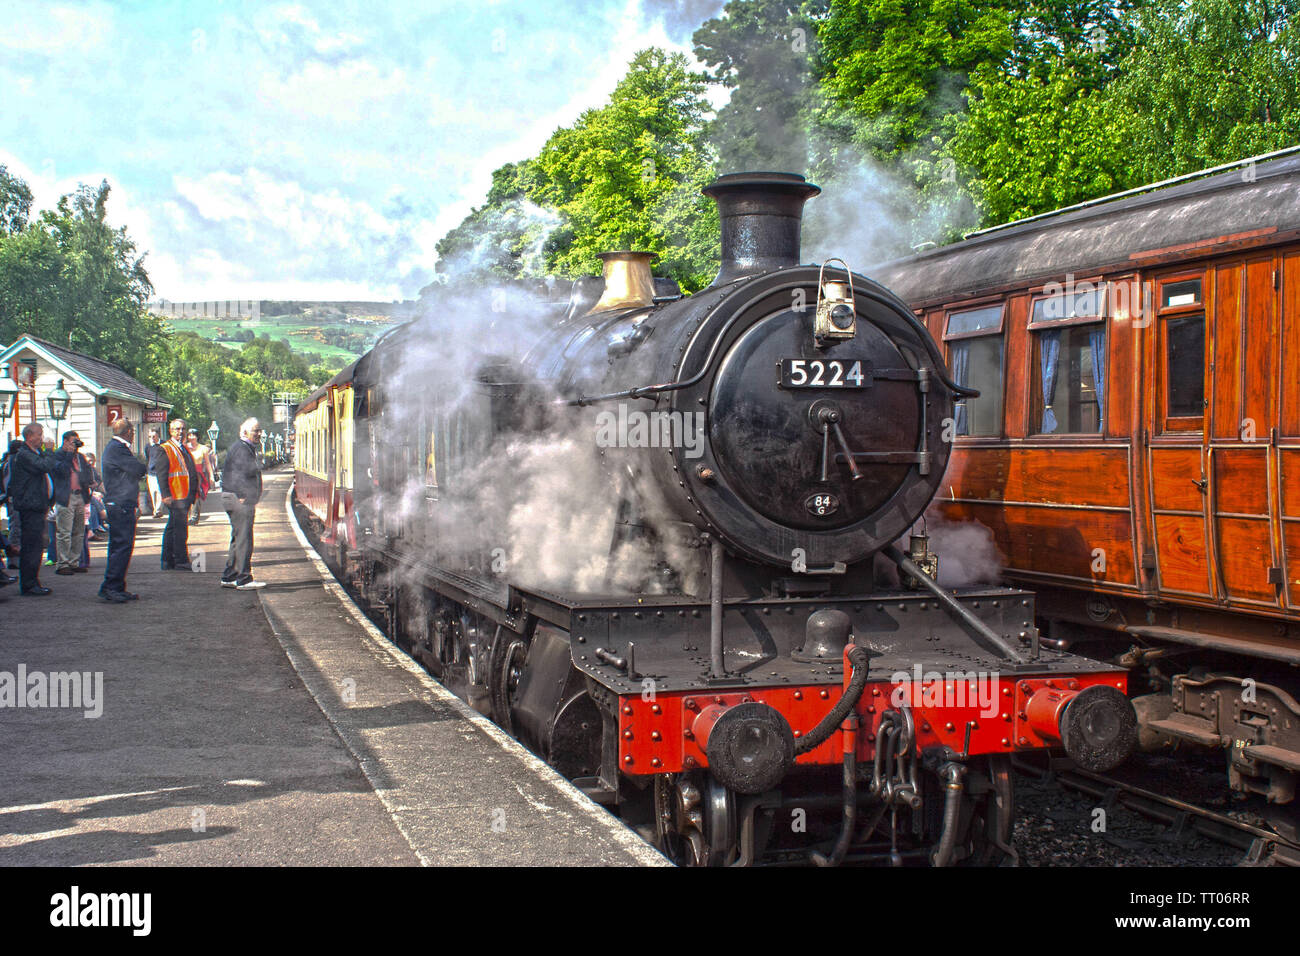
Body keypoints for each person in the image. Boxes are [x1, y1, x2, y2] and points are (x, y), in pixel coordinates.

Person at [99, 418, 146, 603]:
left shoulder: (115, 448)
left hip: (119, 503)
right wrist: (141, 465)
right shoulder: (118, 449)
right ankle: (111, 587)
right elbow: (137, 469)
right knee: (121, 546)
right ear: (128, 432)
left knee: (120, 546)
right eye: (133, 431)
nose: (133, 434)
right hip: (120, 504)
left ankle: (115, 586)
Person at [7, 423, 56, 595]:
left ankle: (32, 581)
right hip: (30, 506)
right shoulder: (24, 455)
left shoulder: (34, 452)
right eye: (39, 435)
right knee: (31, 547)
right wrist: (49, 450)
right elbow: (44, 466)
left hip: (37, 504)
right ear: (29, 436)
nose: (41, 438)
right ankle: (29, 585)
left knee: (35, 546)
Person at [220, 417, 266, 590]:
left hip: (232, 497)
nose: (259, 434)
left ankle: (229, 575)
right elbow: (240, 473)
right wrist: (242, 495)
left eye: (259, 430)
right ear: (245, 432)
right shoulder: (242, 449)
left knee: (237, 538)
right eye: (256, 431)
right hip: (238, 498)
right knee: (244, 539)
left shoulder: (244, 447)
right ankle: (244, 578)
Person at [150, 418, 200, 570]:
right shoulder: (165, 449)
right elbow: (161, 474)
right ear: (171, 431)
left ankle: (167, 560)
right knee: (180, 530)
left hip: (184, 494)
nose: (181, 432)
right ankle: (180, 560)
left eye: (183, 429)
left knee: (173, 527)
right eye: (177, 429)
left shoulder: (183, 448)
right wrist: (165, 495)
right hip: (175, 494)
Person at [52, 430, 95, 576]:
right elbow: (62, 471)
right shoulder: (57, 455)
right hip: (66, 497)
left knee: (78, 531)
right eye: (72, 442)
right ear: (65, 442)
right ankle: (62, 563)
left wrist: (90, 483)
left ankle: (74, 562)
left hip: (79, 496)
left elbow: (87, 473)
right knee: (64, 532)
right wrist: (69, 454)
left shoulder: (80, 457)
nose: (75, 445)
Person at [185, 428, 213, 526]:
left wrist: (211, 476)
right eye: (189, 435)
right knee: (186, 494)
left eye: (194, 435)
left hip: (198, 474)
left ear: (197, 437)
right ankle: (187, 516)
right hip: (186, 473)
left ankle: (194, 516)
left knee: (196, 494)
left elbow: (208, 463)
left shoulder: (203, 448)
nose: (191, 437)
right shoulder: (185, 447)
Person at [145, 428, 165, 516]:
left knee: (160, 491)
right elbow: (147, 457)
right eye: (150, 436)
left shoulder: (164, 444)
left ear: (158, 436)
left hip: (161, 471)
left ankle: (158, 510)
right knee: (152, 492)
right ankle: (155, 508)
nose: (152, 438)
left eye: (153, 436)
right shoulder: (148, 446)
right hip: (151, 472)